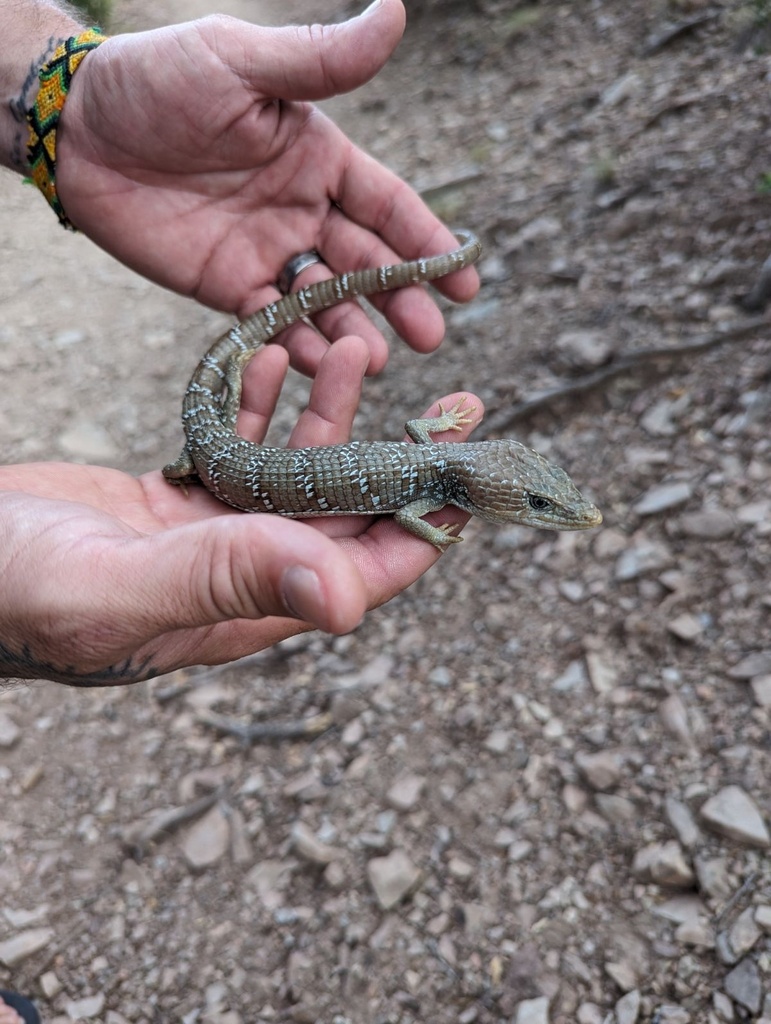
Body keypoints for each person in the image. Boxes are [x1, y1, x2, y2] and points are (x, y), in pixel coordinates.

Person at [0, 0, 481, 688]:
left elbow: (410, 454)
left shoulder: (430, 464)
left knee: (237, 386)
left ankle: (205, 444)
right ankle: (201, 452)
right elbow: (406, 504)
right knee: (234, 394)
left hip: (218, 452)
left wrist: (66, 94)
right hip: (216, 457)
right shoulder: (429, 474)